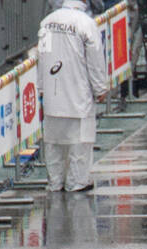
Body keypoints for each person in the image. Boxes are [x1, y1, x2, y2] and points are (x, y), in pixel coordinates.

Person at [38, 0, 107, 192]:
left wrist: (41, 87)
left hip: (53, 94)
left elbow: (42, 57)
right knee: (80, 142)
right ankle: (77, 182)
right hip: (78, 94)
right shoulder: (86, 23)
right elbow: (95, 60)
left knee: (53, 143)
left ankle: (55, 182)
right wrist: (100, 88)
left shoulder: (47, 23)